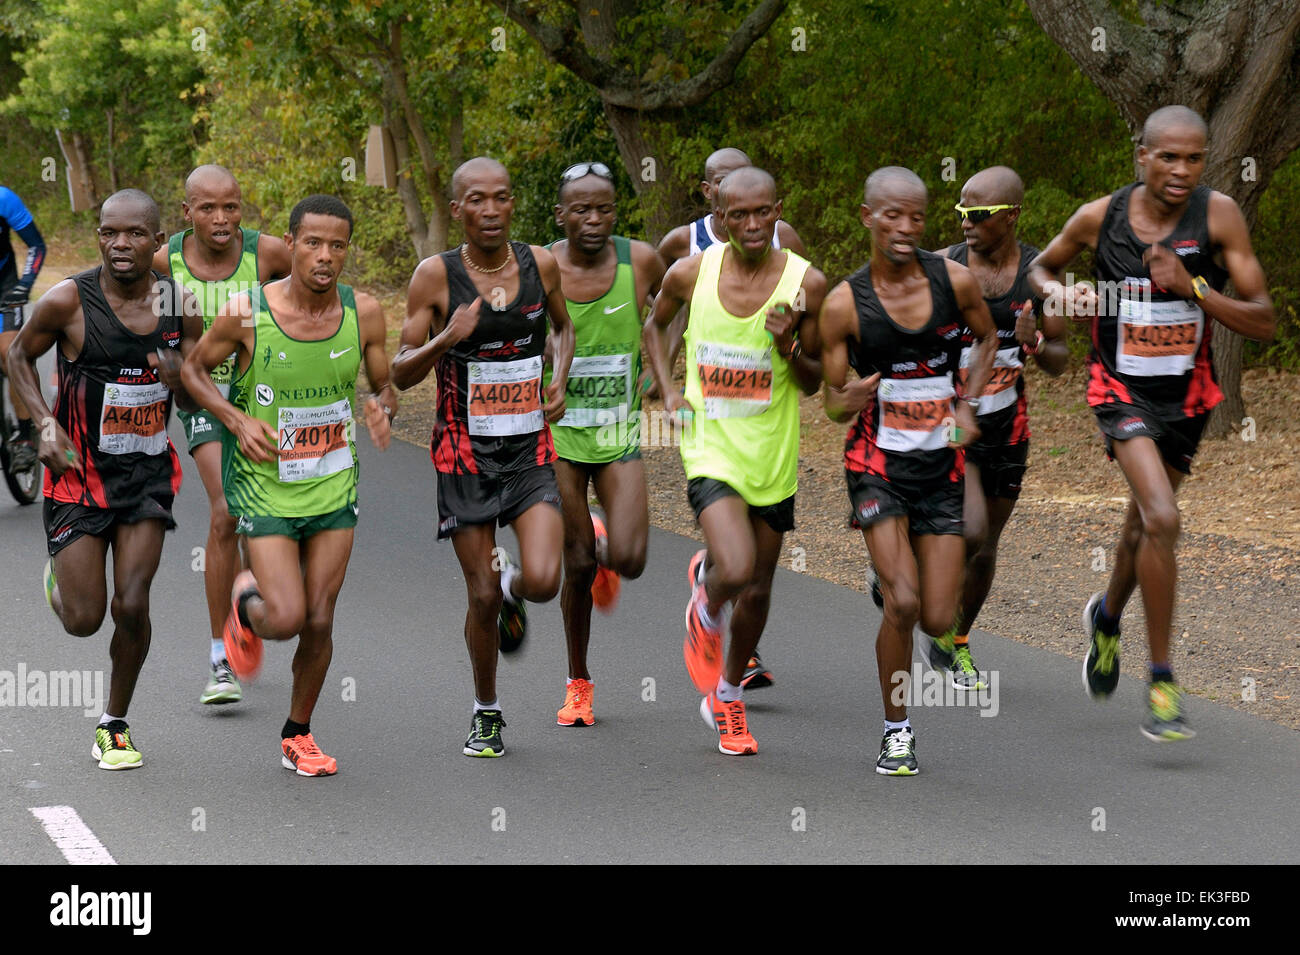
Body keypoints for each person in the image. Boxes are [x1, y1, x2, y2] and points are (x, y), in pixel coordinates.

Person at [1028, 105, 1275, 741]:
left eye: (1194, 158)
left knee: (1144, 524)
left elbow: (1263, 320)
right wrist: (1062, 296)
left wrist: (1194, 288)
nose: (1181, 170)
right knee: (1163, 517)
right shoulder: (1099, 216)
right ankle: (1162, 680)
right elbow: (1042, 269)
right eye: (1168, 156)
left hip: (1187, 399)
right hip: (1119, 389)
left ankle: (1106, 618)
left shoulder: (1217, 216)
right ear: (1142, 154)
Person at [180, 194, 396, 777]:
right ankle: (245, 608)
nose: (325, 256)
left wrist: (381, 407)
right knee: (288, 616)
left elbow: (384, 383)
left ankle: (297, 734)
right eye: (313, 243)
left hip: (332, 483)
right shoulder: (247, 312)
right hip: (263, 485)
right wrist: (236, 418)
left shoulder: (366, 313)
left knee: (321, 617)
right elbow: (193, 370)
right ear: (291, 244)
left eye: (338, 245)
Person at [7, 189, 201, 770]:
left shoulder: (178, 305)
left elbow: (198, 392)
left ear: (157, 239)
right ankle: (59, 584)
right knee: (83, 619)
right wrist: (44, 426)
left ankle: (114, 723)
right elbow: (17, 357)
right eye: (109, 233)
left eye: (135, 234)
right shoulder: (69, 301)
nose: (120, 244)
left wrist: (179, 378)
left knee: (133, 603)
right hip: (78, 478)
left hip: (145, 478)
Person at [393, 157, 575, 757]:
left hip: (528, 452)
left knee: (546, 579)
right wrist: (448, 337)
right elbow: (399, 371)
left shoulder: (540, 263)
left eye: (501, 198)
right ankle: (487, 711)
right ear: (457, 209)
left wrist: (560, 377)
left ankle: (518, 596)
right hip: (464, 456)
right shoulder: (435, 277)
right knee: (481, 595)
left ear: (512, 204)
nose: (490, 210)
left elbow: (562, 328)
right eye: (477, 200)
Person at [819, 167, 997, 776]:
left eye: (915, 217)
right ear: (867, 216)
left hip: (941, 466)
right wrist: (852, 396)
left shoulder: (955, 281)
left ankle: (895, 586)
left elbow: (988, 337)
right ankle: (898, 729)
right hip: (877, 467)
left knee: (938, 617)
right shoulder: (845, 302)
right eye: (890, 215)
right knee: (904, 603)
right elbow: (832, 400)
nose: (903, 228)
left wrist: (968, 403)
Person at [645, 166, 825, 756]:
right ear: (718, 219)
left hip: (772, 448)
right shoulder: (693, 271)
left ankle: (727, 696)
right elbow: (656, 325)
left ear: (779, 210)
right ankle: (706, 601)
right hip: (710, 442)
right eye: (736, 216)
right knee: (740, 566)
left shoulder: (806, 285)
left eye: (761, 213)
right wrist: (669, 390)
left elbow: (815, 379)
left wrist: (787, 345)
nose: (751, 225)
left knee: (759, 586)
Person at [153, 164, 291, 706]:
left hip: (265, 399)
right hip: (202, 398)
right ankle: (219, 658)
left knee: (269, 512)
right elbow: (126, 306)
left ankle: (248, 600)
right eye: (207, 208)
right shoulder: (165, 263)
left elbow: (312, 294)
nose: (220, 218)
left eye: (230, 207)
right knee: (226, 511)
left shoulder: (269, 254)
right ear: (185, 212)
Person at [934, 166, 1068, 689]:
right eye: (961, 211)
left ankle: (957, 641)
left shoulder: (1039, 274)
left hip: (1008, 425)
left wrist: (1035, 342)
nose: (967, 222)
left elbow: (1058, 359)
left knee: (986, 544)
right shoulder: (943, 266)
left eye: (979, 213)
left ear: (1011, 215)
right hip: (953, 420)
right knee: (966, 530)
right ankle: (919, 590)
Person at [545, 161, 665, 726]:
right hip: (561, 436)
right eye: (582, 210)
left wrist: (657, 371)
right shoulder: (541, 266)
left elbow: (669, 312)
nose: (594, 220)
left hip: (618, 434)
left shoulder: (640, 260)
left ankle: (603, 541)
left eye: (605, 209)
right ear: (561, 215)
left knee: (632, 560)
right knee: (575, 565)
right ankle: (578, 682)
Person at [0, 184, 48, 472]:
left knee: (9, 354)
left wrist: (25, 284)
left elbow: (36, 246)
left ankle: (26, 435)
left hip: (5, 291)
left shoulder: (4, 199)